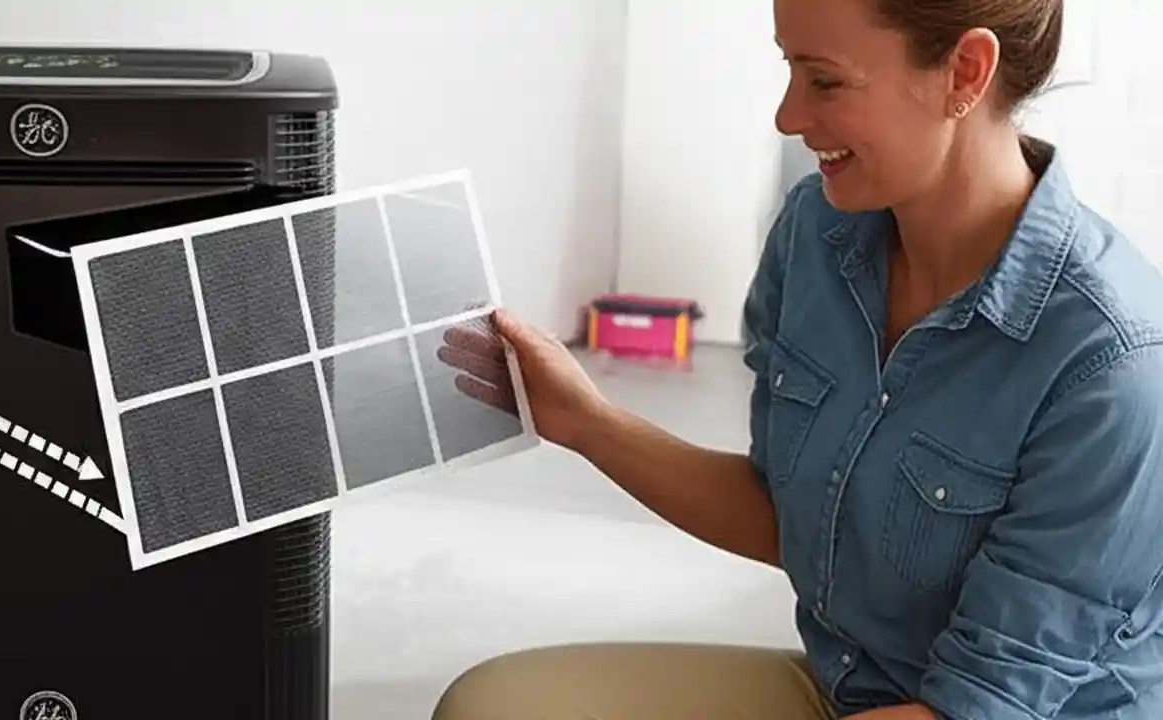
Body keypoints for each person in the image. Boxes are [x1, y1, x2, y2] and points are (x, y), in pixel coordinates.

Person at [430, 0, 1163, 717]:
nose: (787, 115)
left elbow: (986, 704)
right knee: (487, 707)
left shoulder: (1110, 364)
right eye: (789, 68)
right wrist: (585, 421)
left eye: (826, 79)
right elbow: (792, 515)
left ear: (964, 73)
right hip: (852, 689)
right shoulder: (817, 233)